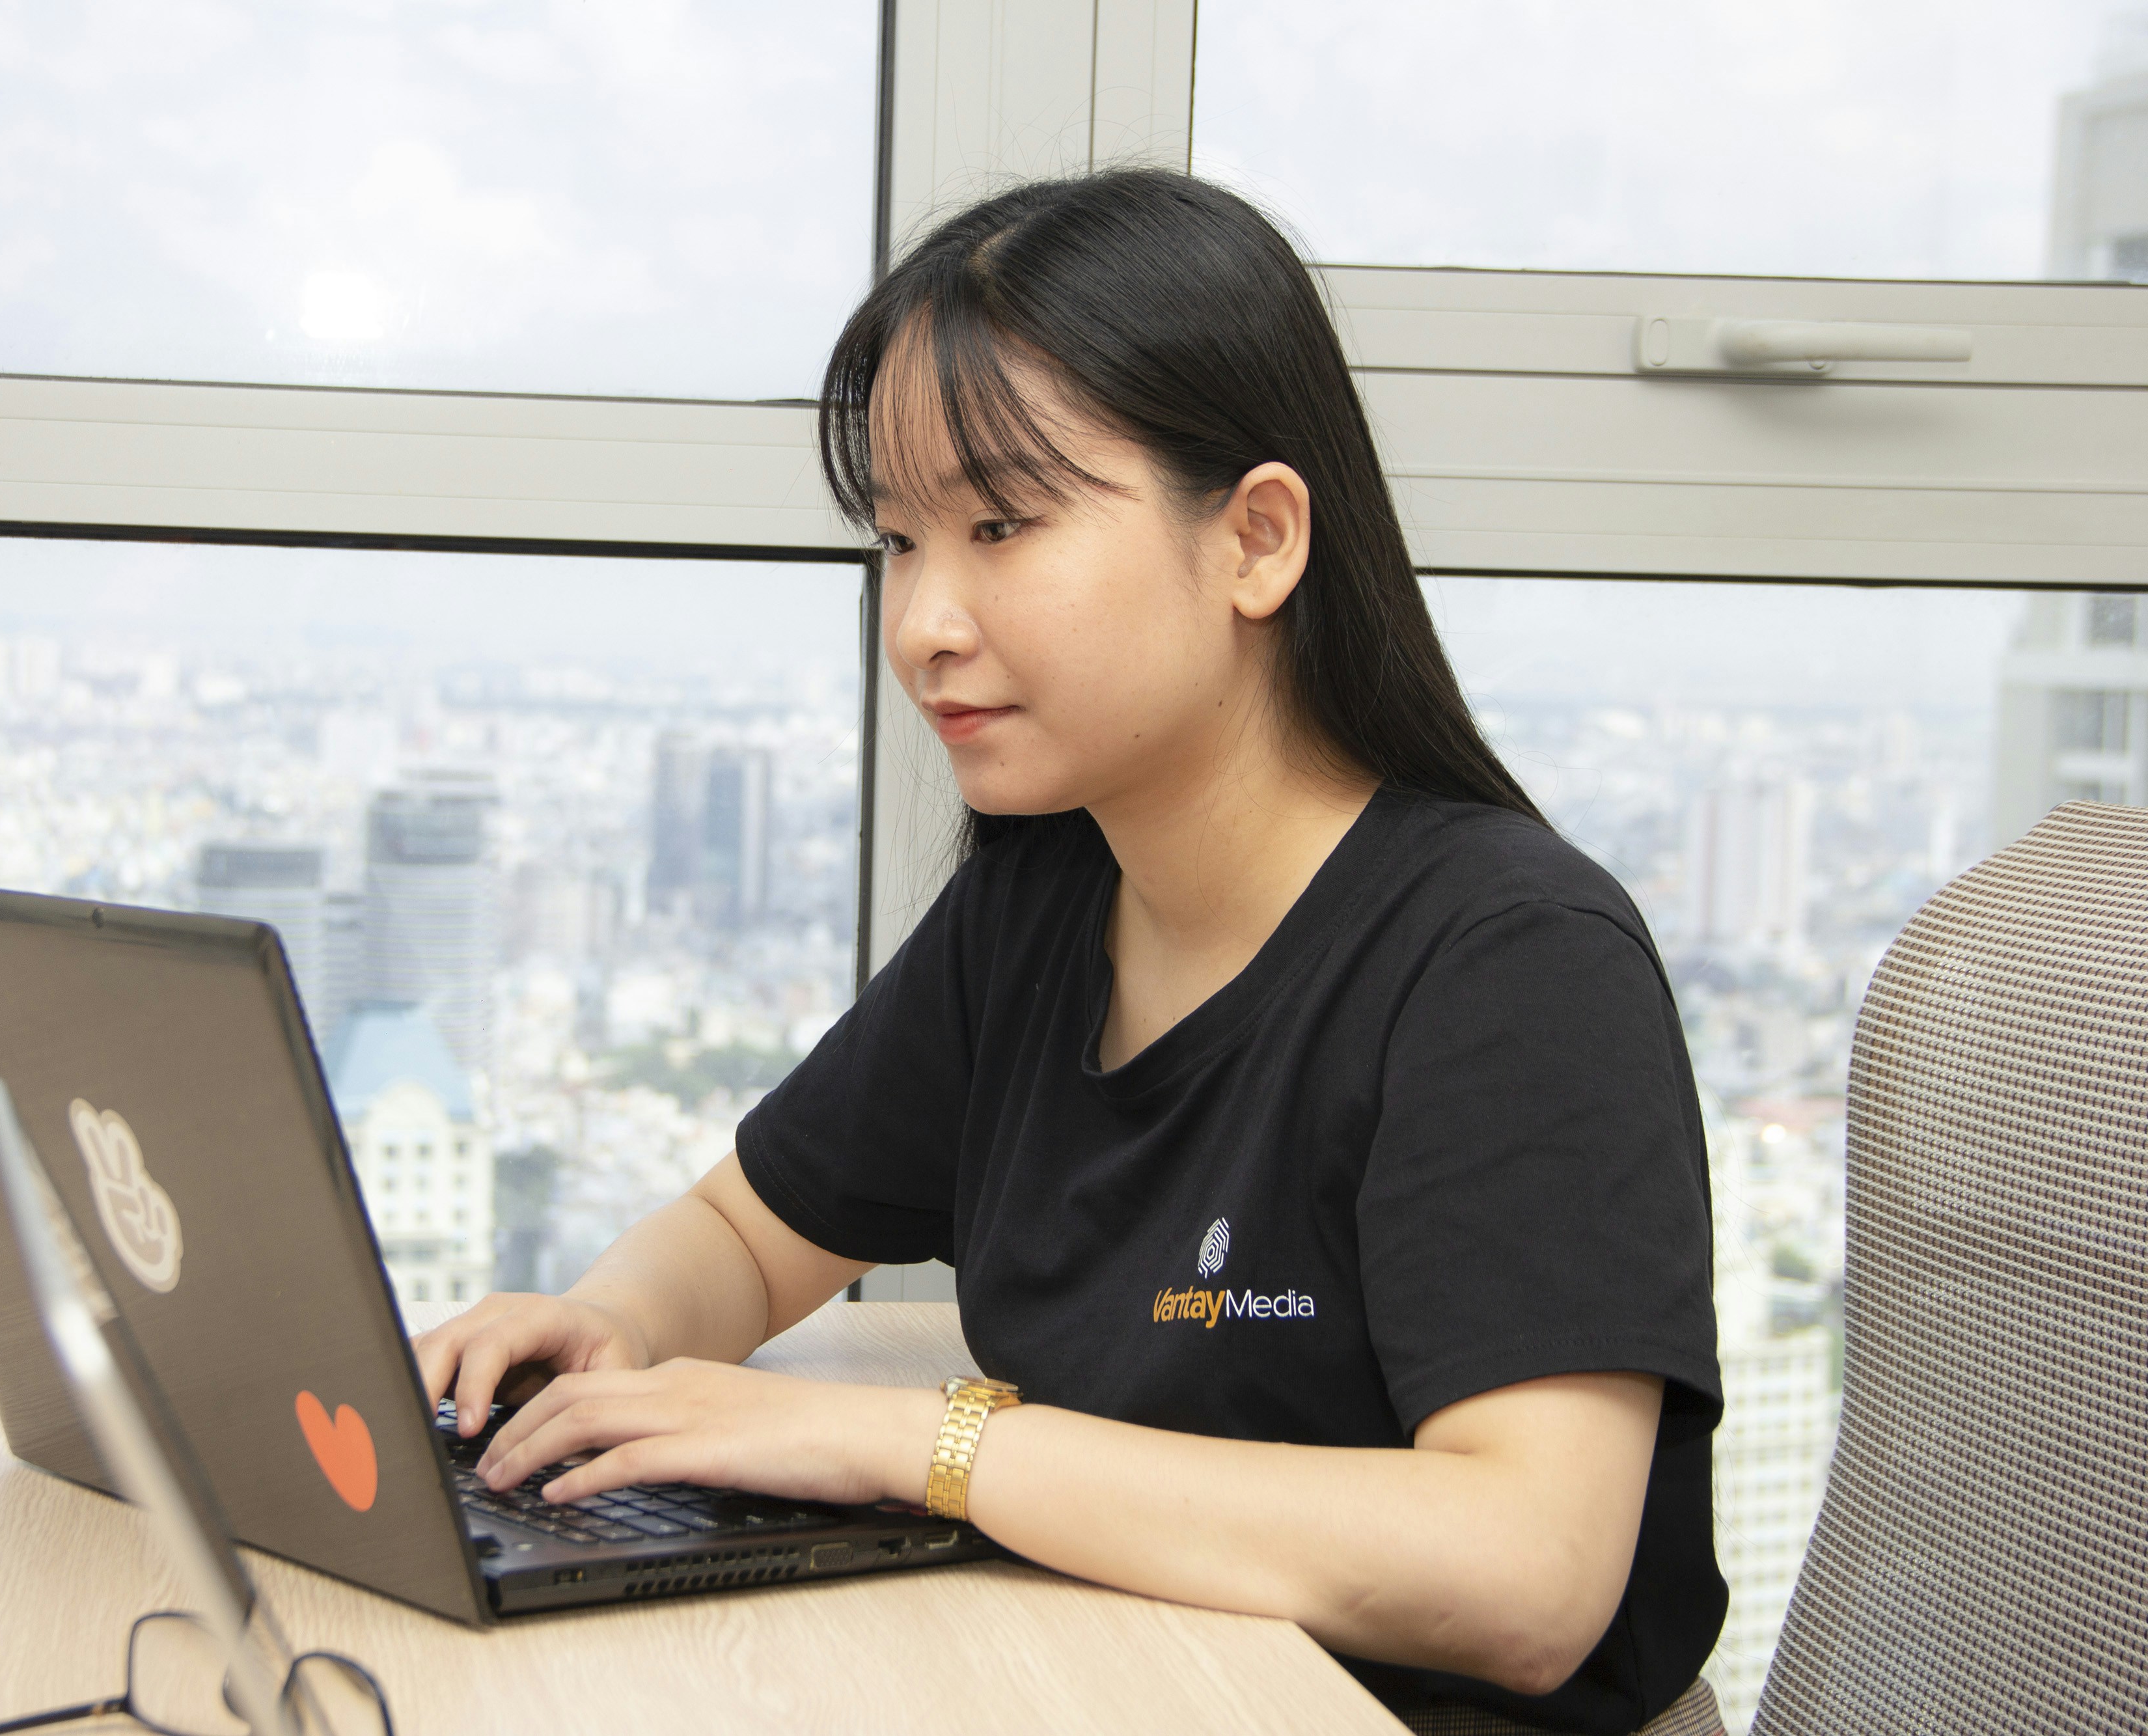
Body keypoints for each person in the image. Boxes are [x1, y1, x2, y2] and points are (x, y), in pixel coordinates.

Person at [413, 169, 1724, 1736]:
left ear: (1254, 540)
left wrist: (916, 1445)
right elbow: (749, 1232)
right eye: (898, 539)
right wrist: (617, 1325)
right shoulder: (1043, 899)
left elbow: (1525, 1571)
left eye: (1000, 524)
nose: (922, 621)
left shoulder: (1507, 962)